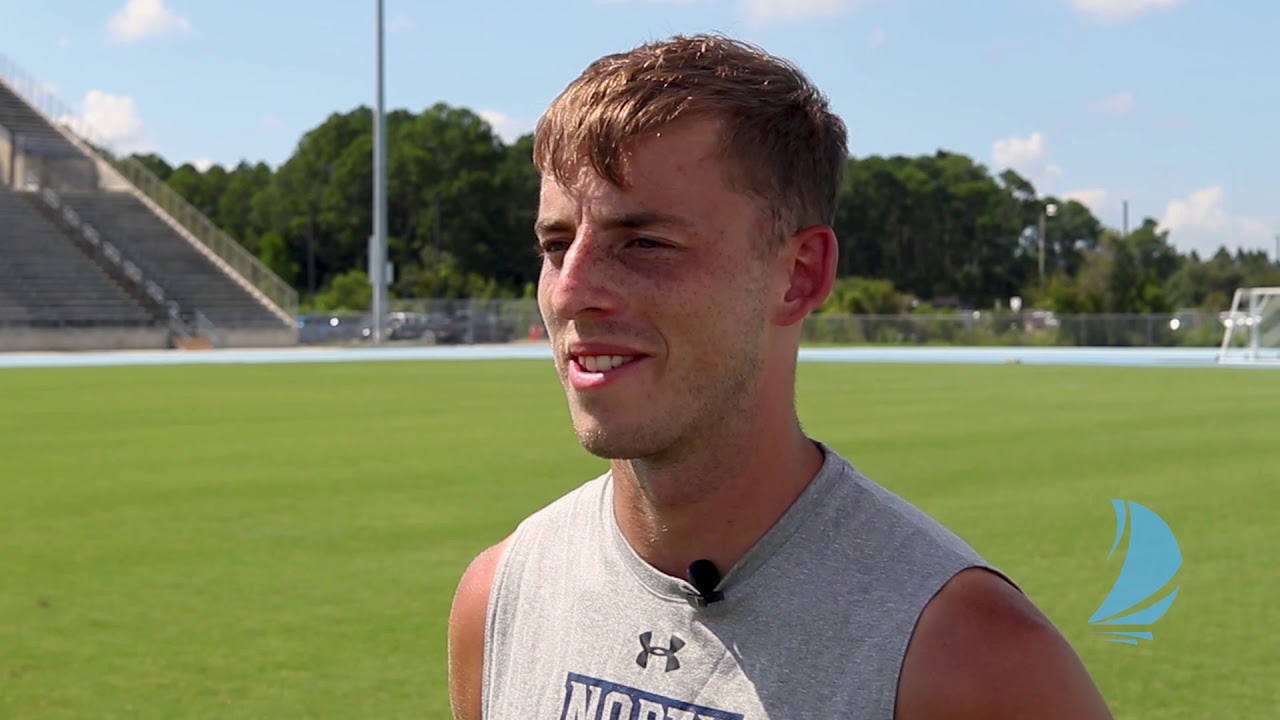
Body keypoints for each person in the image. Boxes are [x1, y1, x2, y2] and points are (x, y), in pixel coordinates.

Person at [448, 33, 1113, 720]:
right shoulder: (500, 598)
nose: (569, 291)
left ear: (799, 276)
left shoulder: (974, 662)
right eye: (557, 245)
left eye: (644, 243)